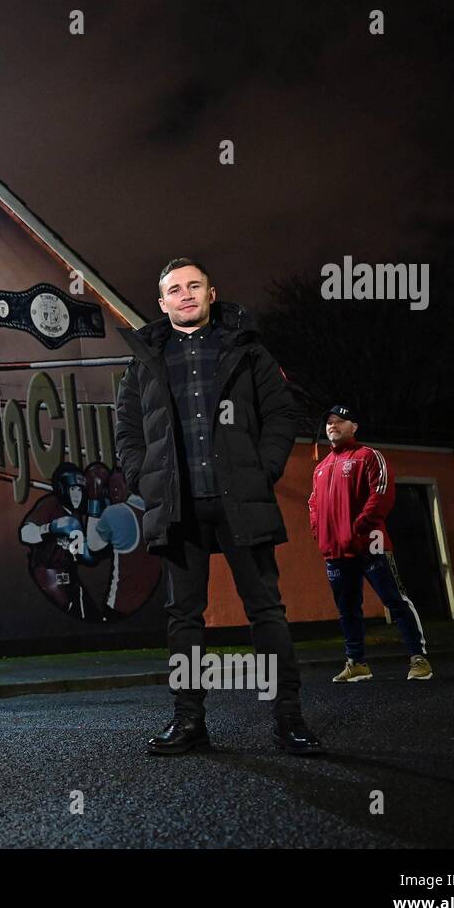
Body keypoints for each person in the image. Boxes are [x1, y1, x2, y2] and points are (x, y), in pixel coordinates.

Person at [115, 258, 322, 755]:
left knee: (266, 610)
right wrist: (146, 479)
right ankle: (189, 722)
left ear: (211, 293)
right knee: (184, 617)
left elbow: (281, 413)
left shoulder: (247, 349)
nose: (185, 295)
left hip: (239, 501)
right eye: (174, 290)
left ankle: (288, 718)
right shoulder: (145, 361)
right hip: (178, 505)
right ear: (162, 304)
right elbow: (126, 430)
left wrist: (263, 468)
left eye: (194, 286)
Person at [308, 405, 433, 682]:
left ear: (354, 427)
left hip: (370, 545)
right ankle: (357, 663)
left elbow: (382, 494)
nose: (332, 426)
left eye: (340, 421)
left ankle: (419, 659)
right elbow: (313, 505)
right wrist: (321, 535)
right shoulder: (320, 468)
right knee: (347, 609)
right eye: (329, 422)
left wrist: (359, 527)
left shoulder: (368, 456)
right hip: (336, 551)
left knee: (394, 600)